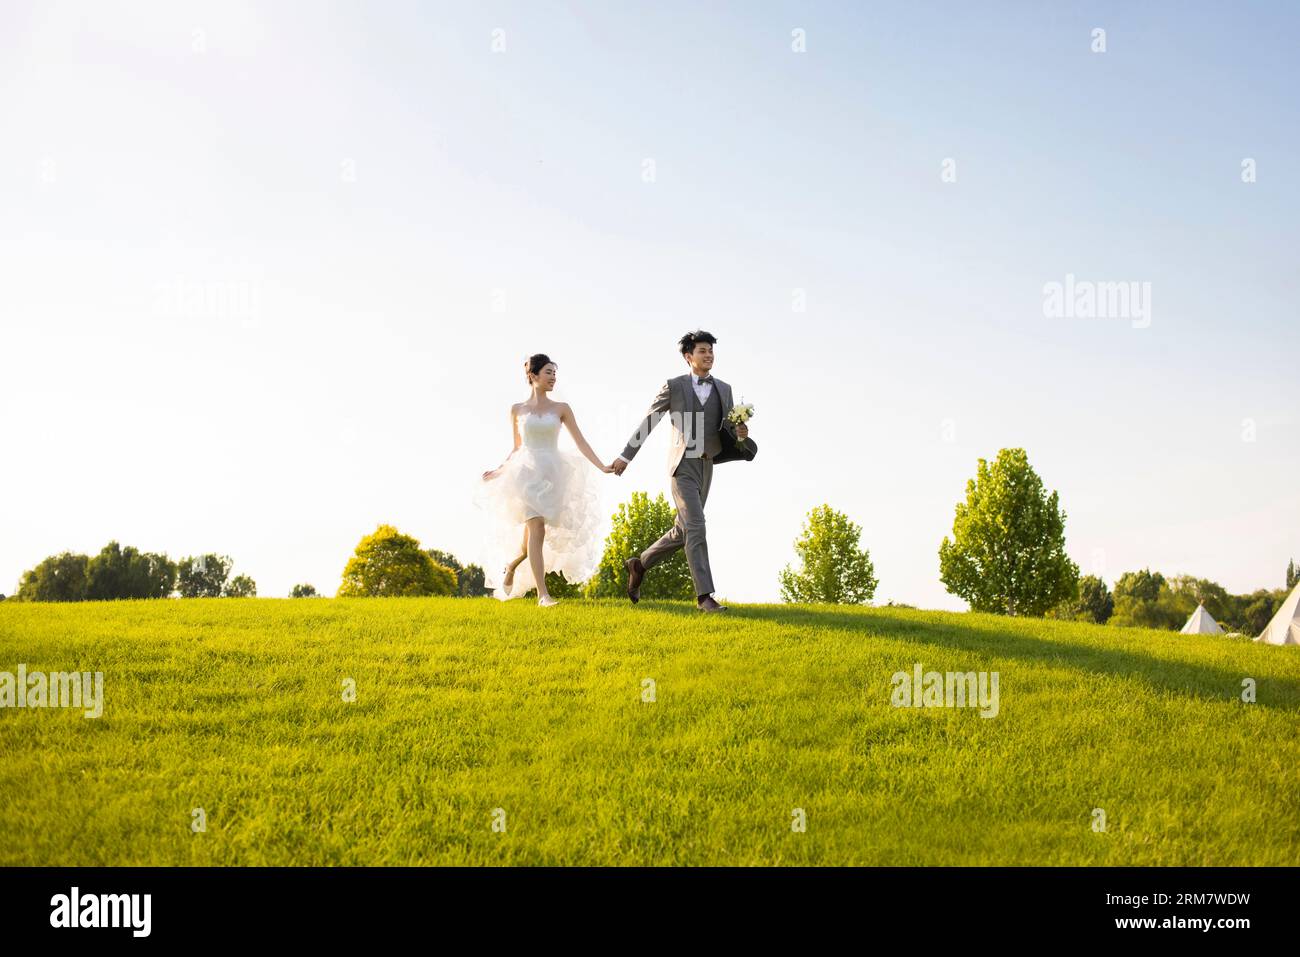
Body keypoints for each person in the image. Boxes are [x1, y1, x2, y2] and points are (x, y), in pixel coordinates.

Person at [611, 330, 755, 613]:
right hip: (683, 466)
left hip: (707, 464)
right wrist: (625, 456)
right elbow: (649, 421)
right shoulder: (674, 386)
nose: (709, 355)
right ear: (689, 357)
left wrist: (740, 433)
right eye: (702, 351)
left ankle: (639, 564)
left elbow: (726, 429)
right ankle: (705, 597)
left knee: (684, 530)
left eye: (711, 351)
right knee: (697, 526)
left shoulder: (724, 389)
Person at [475, 354, 614, 606]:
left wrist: (602, 466)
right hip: (525, 474)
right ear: (533, 376)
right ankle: (543, 595)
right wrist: (499, 471)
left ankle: (512, 565)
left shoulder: (561, 409)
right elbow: (517, 448)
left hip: (553, 474)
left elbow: (580, 441)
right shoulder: (517, 409)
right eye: (548, 372)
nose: (553, 378)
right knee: (536, 527)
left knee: (531, 541)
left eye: (554, 373)